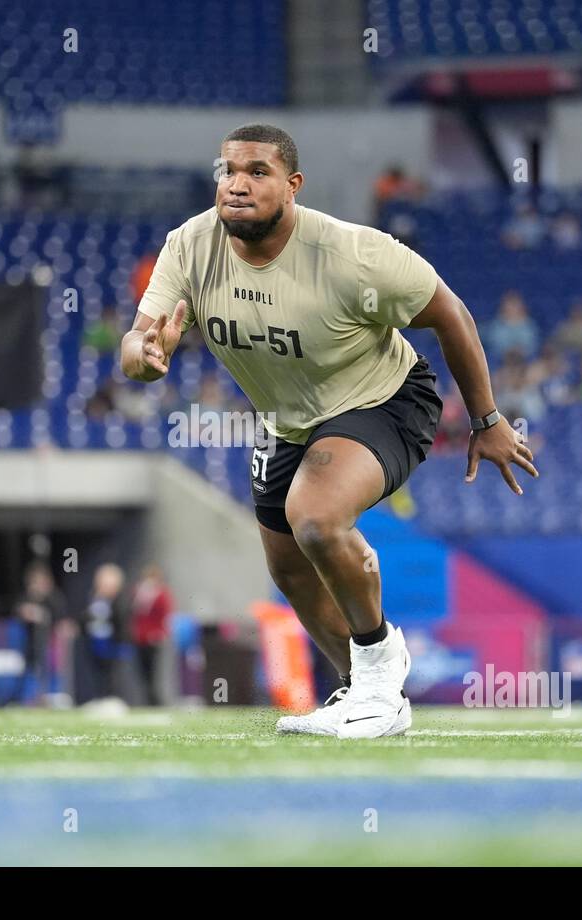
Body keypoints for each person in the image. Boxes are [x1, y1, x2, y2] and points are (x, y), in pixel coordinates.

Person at [121, 124, 536, 738]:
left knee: (314, 516)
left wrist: (487, 419)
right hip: (286, 421)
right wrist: (141, 355)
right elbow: (139, 339)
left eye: (257, 172)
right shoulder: (190, 246)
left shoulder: (353, 254)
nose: (237, 185)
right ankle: (366, 694)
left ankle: (380, 665)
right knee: (288, 565)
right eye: (227, 171)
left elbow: (450, 312)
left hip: (385, 398)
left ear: (292, 186)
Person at [15, 562, 70, 705]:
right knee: (31, 670)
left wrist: (43, 616)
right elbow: (18, 612)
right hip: (30, 641)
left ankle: (52, 698)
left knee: (51, 670)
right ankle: (29, 699)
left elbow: (60, 619)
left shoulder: (54, 598)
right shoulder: (27, 597)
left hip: (50, 641)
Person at [83, 563, 129, 703]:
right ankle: (100, 698)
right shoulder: (93, 599)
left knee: (112, 673)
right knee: (97, 672)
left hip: (112, 642)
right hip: (95, 642)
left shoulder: (118, 601)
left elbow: (121, 621)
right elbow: (85, 618)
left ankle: (112, 699)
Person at [130, 566, 173, 706]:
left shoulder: (161, 594)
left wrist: (162, 632)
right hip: (140, 638)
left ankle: (156, 701)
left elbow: (165, 614)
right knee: (143, 673)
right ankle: (146, 700)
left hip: (154, 638)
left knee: (154, 672)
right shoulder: (138, 593)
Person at [485, 291, 539, 361]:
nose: (512, 308)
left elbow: (532, 345)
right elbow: (494, 346)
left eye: (515, 305)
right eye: (509, 305)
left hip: (524, 361)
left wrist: (520, 350)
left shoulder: (529, 325)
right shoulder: (496, 326)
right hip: (501, 362)